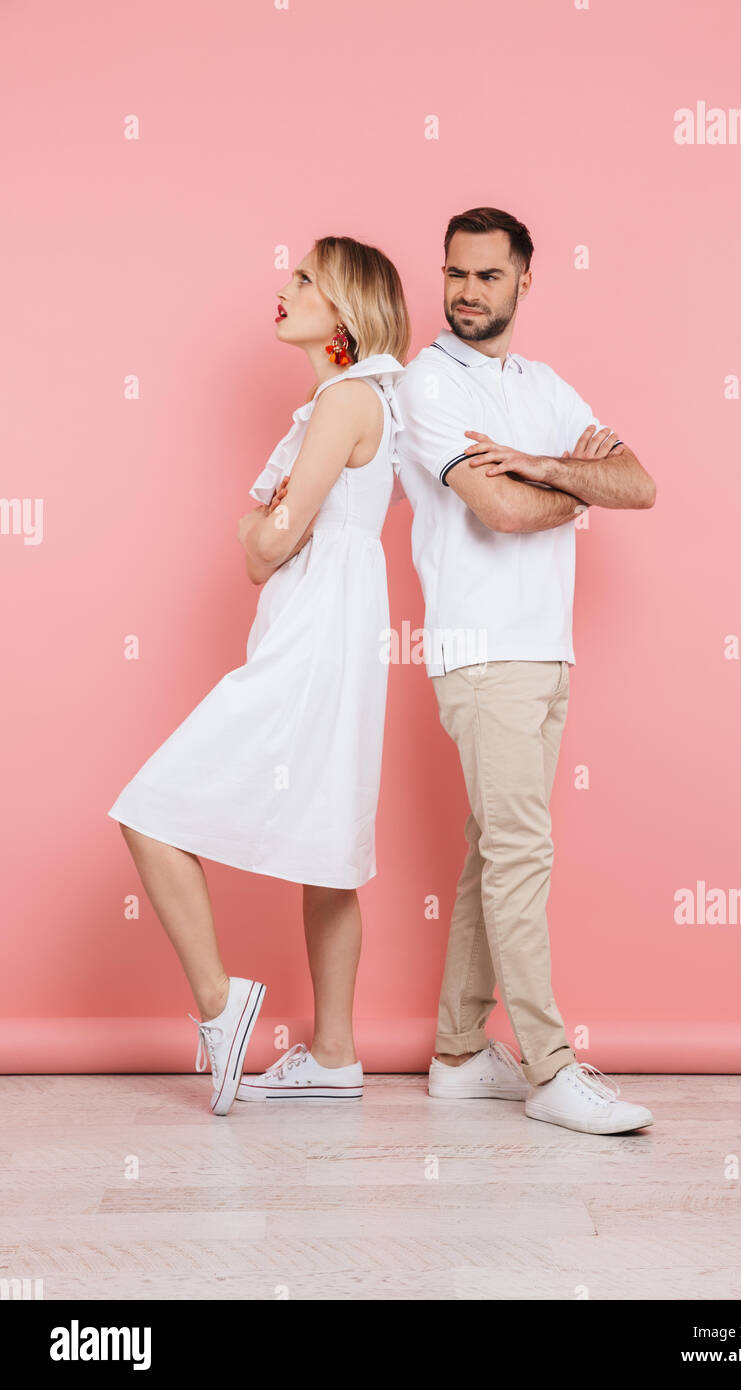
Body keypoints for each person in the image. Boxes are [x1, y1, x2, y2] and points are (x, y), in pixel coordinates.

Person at [107, 236, 410, 1114]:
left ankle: (219, 1003)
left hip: (310, 644)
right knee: (330, 849)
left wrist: (255, 531)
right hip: (336, 639)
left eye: (306, 279)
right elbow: (281, 528)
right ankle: (337, 1055)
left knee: (148, 809)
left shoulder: (344, 400)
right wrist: (267, 527)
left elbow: (268, 541)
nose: (284, 288)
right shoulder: (356, 400)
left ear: (344, 313)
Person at [393, 207, 657, 1135]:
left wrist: (549, 468)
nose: (467, 292)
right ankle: (550, 1068)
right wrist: (575, 492)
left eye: (488, 277)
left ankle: (460, 1055)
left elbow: (640, 482)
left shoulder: (544, 387)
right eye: (455, 275)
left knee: (487, 856)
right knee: (519, 856)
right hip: (481, 651)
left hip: (547, 649)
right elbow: (496, 513)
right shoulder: (428, 386)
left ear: (523, 282)